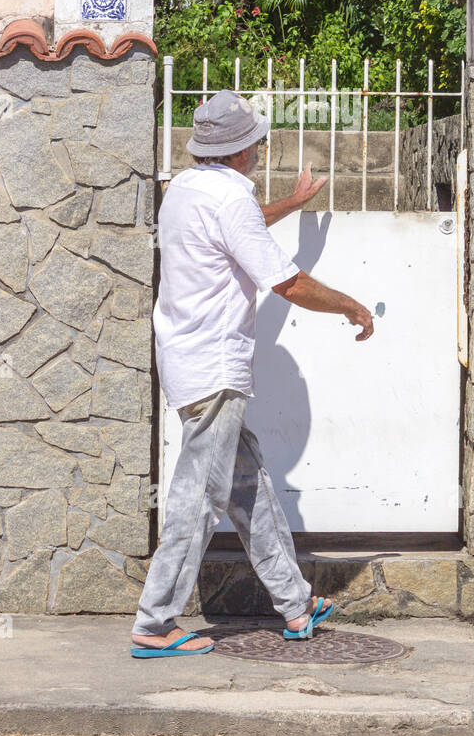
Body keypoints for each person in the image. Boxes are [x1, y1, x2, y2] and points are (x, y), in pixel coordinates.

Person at [130, 89, 374, 657]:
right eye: (258, 141)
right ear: (243, 150)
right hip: (216, 369)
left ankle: (295, 602)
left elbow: (238, 228)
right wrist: (351, 305)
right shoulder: (229, 198)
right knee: (200, 494)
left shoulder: (185, 191)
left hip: (189, 363)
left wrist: (290, 204)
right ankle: (154, 620)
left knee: (248, 484)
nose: (262, 147)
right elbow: (285, 283)